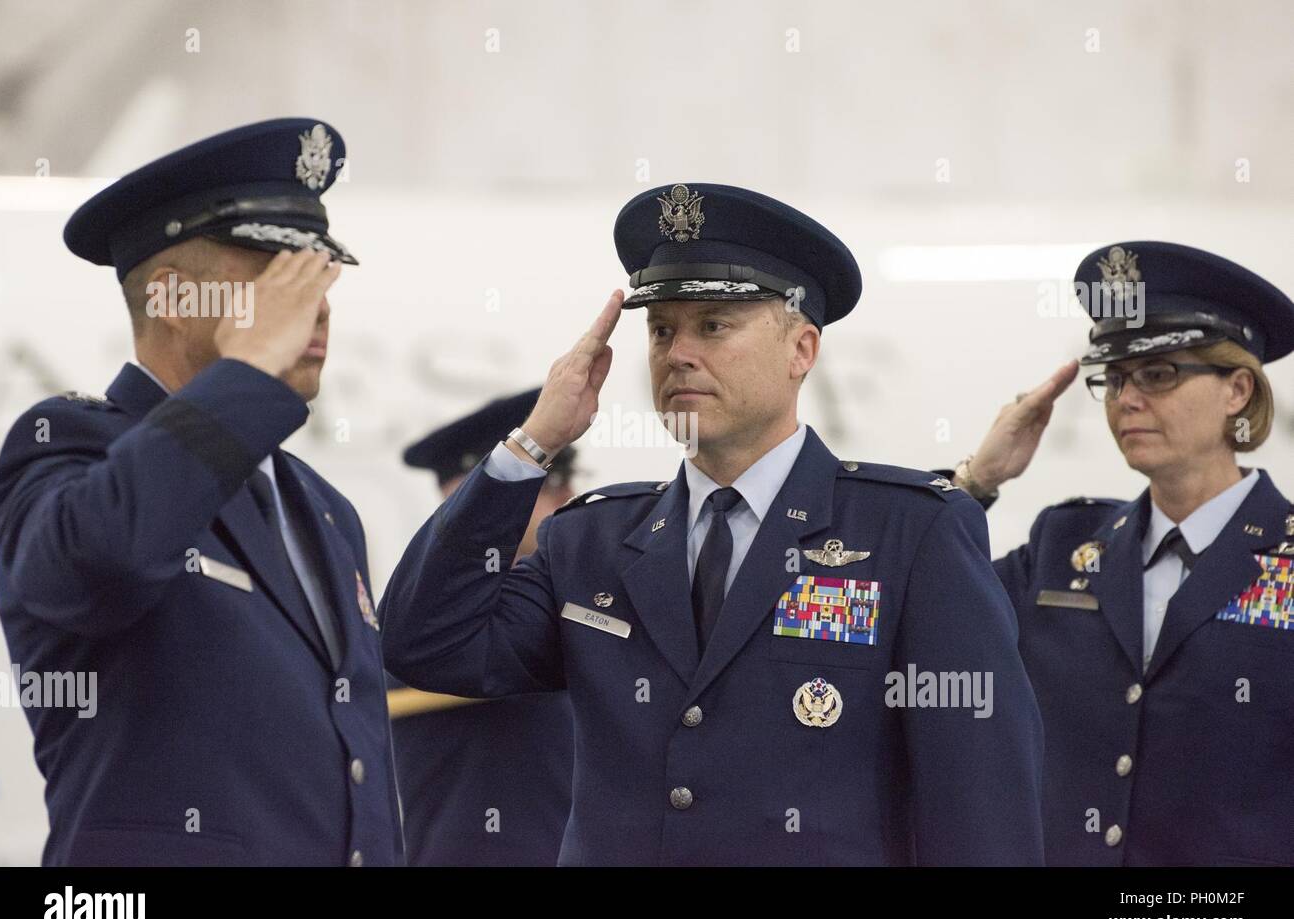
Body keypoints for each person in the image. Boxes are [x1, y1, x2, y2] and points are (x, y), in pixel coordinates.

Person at [379, 183, 1044, 865]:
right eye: (661, 330)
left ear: (801, 350)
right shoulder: (590, 541)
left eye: (714, 325)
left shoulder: (910, 532)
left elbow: (982, 803)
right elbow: (427, 644)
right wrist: (532, 445)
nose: (679, 353)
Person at [0, 119, 402, 866]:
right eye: (277, 277)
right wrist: (246, 373)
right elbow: (98, 563)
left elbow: (359, 763)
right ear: (174, 299)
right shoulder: (70, 444)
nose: (317, 305)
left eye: (320, 276)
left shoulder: (323, 508)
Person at [950, 241, 1294, 865]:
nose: (1126, 399)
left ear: (1237, 390)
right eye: (1113, 380)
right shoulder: (1064, 546)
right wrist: (976, 481)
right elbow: (912, 609)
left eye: (1157, 375)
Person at [389, 388, 575, 865]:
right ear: (465, 492)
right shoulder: (423, 622)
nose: (569, 494)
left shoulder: (573, 605)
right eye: (551, 478)